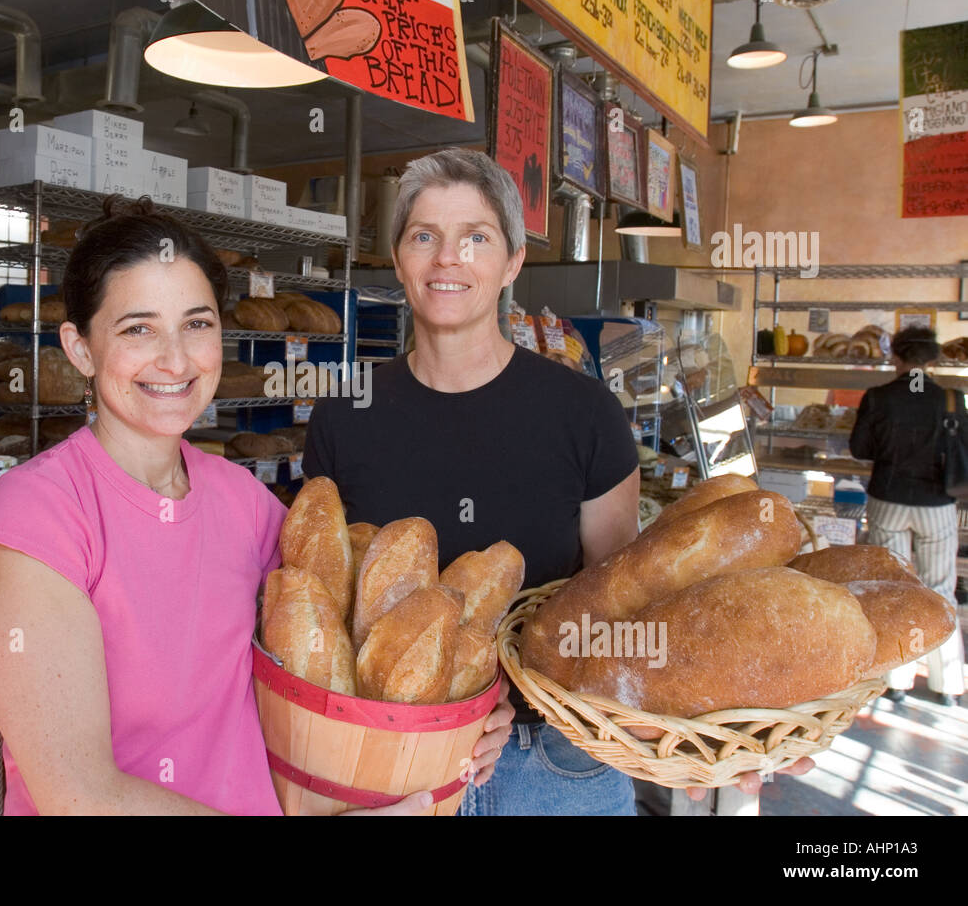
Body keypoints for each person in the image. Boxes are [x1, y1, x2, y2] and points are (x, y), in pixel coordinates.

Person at [0, 196, 512, 815]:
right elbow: (79, 795)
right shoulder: (37, 516)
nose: (175, 358)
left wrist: (463, 708)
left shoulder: (242, 500)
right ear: (80, 349)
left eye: (197, 324)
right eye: (138, 328)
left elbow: (344, 653)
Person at [304, 148, 809, 815]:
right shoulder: (346, 413)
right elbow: (326, 599)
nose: (447, 258)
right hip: (390, 764)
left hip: (550, 763)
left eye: (476, 238)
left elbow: (621, 603)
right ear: (398, 259)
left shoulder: (584, 413)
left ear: (513, 261)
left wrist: (709, 736)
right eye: (424, 236)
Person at [850, 325, 965, 708]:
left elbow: (860, 449)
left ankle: (894, 680)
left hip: (889, 501)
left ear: (895, 357)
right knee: (940, 589)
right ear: (933, 360)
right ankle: (947, 683)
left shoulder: (879, 397)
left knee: (891, 590)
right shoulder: (951, 399)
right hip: (937, 505)